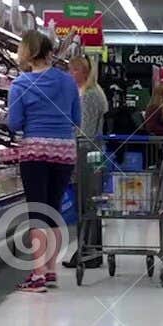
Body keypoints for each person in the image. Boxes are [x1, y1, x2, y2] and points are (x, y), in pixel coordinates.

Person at [6, 30, 80, 293]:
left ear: (26, 52)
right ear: (48, 51)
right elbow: (76, 119)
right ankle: (50, 271)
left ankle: (36, 275)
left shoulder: (21, 84)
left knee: (37, 211)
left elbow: (14, 123)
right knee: (54, 209)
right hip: (64, 150)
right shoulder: (68, 82)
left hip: (35, 149)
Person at [68, 55, 107, 268]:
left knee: (88, 202)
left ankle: (88, 252)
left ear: (83, 72)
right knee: (89, 202)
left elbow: (87, 131)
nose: (70, 74)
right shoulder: (87, 92)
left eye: (73, 70)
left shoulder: (90, 95)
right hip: (91, 153)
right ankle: (88, 250)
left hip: (88, 153)